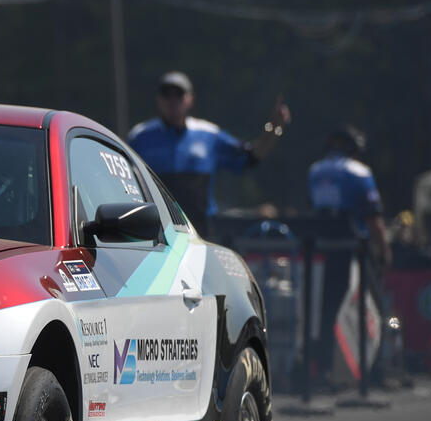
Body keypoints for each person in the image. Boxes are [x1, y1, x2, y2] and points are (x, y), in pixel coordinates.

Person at [127, 70, 291, 237]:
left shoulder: (209, 134)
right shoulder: (139, 136)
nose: (172, 100)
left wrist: (274, 129)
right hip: (155, 231)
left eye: (178, 94)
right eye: (166, 94)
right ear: (158, 99)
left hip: (201, 231)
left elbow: (252, 156)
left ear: (190, 98)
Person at [307, 125, 389, 382]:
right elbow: (374, 219)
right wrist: (384, 251)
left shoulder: (315, 170)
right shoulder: (359, 172)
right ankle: (375, 370)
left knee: (327, 311)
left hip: (326, 248)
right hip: (355, 247)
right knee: (376, 306)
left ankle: (323, 370)